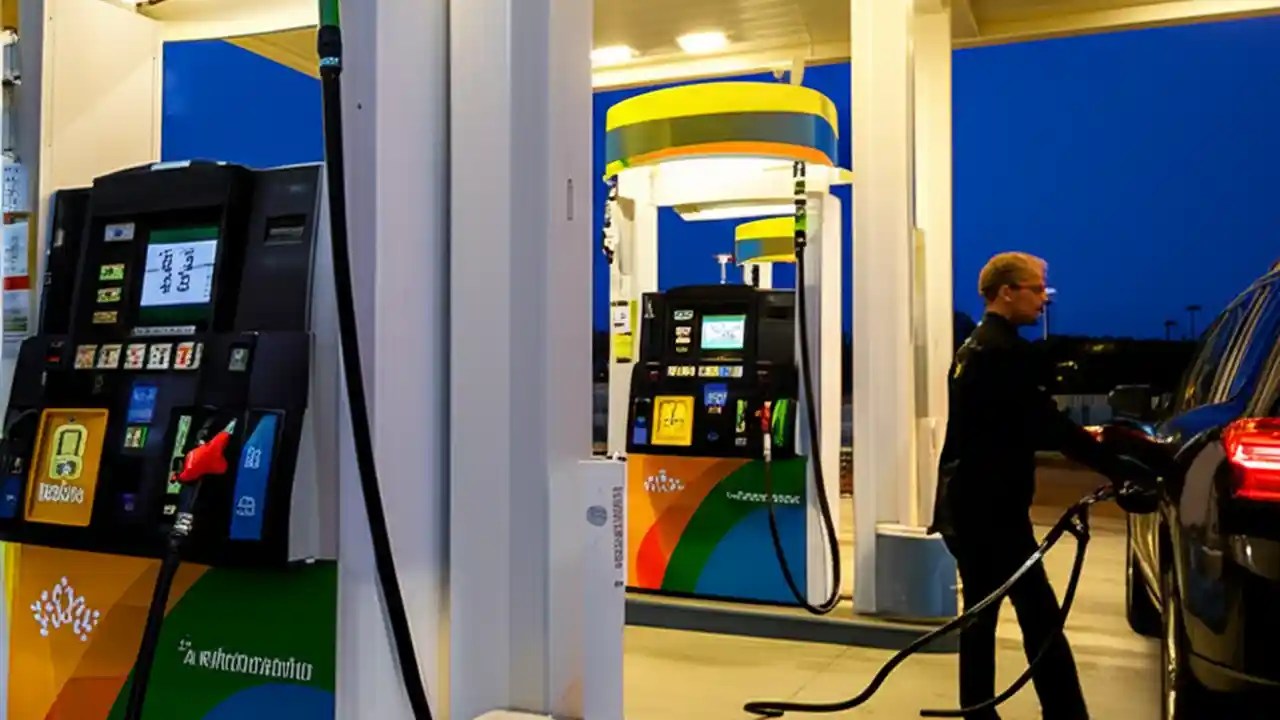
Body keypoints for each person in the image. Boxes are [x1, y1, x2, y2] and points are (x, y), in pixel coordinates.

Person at [930, 252, 1142, 720]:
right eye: (1037, 287)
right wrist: (1120, 467)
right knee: (1038, 616)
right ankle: (1064, 712)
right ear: (1008, 292)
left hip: (970, 506)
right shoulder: (1005, 353)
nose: (1044, 298)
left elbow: (1009, 424)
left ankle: (981, 713)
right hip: (992, 513)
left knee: (984, 617)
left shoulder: (973, 349)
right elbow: (1046, 426)